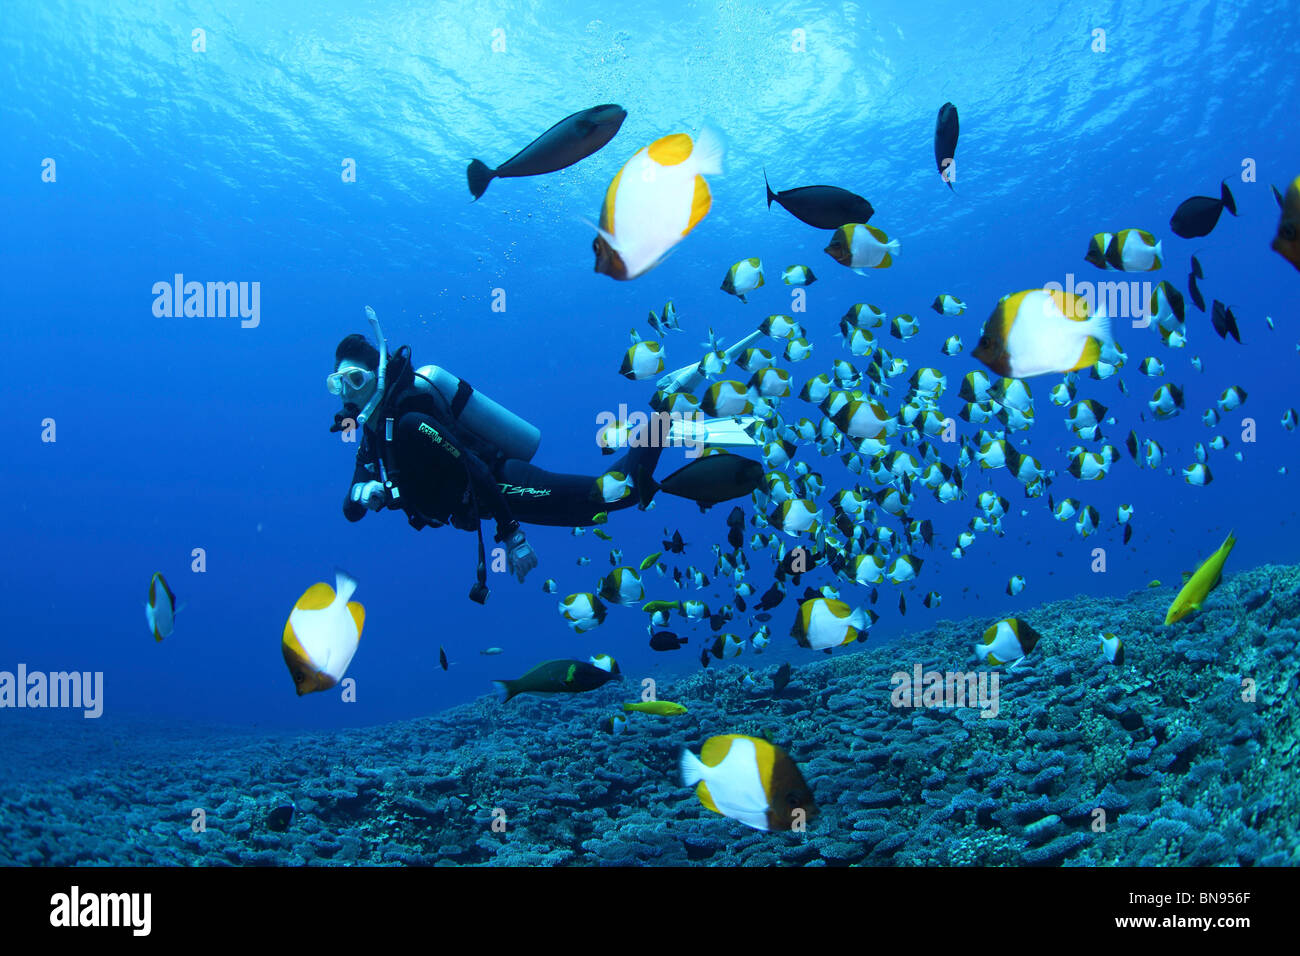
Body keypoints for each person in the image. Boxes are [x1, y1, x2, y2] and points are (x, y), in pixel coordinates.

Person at [329, 308, 762, 603]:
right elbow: (349, 511)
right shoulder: (372, 434)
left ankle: (664, 410)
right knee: (597, 509)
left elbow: (472, 466)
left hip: (502, 482)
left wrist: (512, 537)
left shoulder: (406, 422)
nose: (349, 392)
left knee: (607, 497)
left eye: (355, 378)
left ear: (379, 373)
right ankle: (663, 420)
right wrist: (365, 490)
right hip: (490, 498)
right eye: (339, 384)